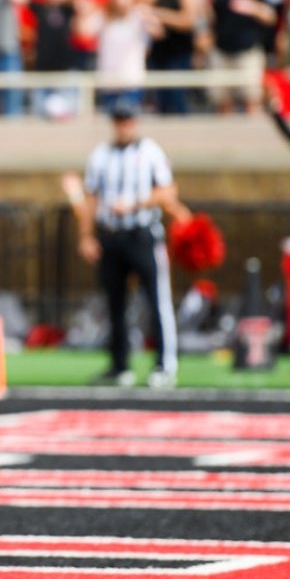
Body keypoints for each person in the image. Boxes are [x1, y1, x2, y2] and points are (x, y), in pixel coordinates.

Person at [76, 101, 185, 389]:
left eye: (127, 120)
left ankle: (165, 364)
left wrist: (136, 203)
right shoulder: (100, 155)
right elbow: (90, 198)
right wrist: (86, 236)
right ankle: (119, 364)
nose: (123, 126)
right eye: (119, 120)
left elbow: (168, 191)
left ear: (135, 122)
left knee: (157, 301)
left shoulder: (150, 152)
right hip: (111, 236)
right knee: (114, 303)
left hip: (142, 234)